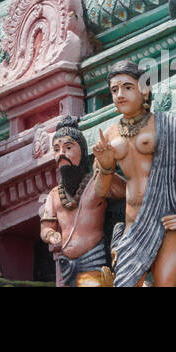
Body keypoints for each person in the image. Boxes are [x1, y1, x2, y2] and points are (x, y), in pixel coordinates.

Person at [91, 61, 176, 286]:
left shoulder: (167, 124)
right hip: (133, 225)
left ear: (144, 89)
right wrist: (105, 166)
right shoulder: (110, 135)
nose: (119, 94)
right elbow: (100, 191)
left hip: (167, 219)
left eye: (127, 87)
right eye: (114, 90)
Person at [40, 116, 125, 286]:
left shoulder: (95, 183)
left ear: (83, 152)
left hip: (93, 259)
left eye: (68, 147)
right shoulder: (55, 195)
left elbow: (126, 192)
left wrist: (107, 167)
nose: (61, 154)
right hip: (67, 265)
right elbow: (46, 227)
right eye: (56, 149)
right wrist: (51, 235)